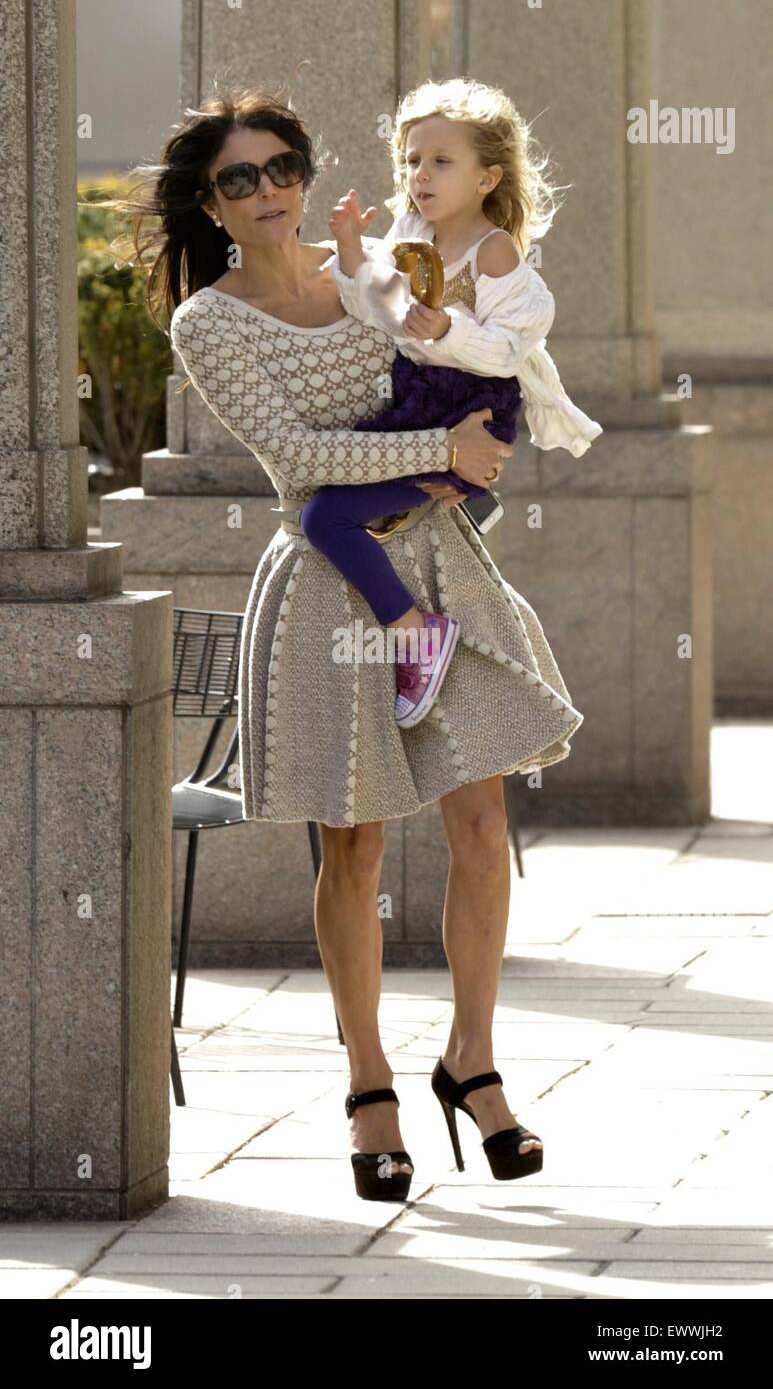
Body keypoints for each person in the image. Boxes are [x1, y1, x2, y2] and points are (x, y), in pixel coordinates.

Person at [108, 82, 586, 1202]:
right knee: (355, 847)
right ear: (210, 203)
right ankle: (369, 1085)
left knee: (483, 824)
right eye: (238, 178)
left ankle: (472, 1061)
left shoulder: (379, 266)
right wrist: (446, 448)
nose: (267, 190)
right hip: (330, 587)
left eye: (282, 167)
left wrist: (476, 434)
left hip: (442, 558)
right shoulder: (207, 321)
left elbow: (475, 352)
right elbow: (296, 456)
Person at [298, 77, 601, 735]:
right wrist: (350, 249)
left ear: (487, 178)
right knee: (331, 499)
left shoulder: (494, 250)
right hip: (415, 403)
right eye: (411, 160)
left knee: (325, 517)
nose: (420, 174)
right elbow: (375, 304)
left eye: (440, 161)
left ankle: (415, 634)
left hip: (469, 409)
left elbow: (510, 347)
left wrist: (447, 330)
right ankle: (433, 529)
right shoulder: (411, 232)